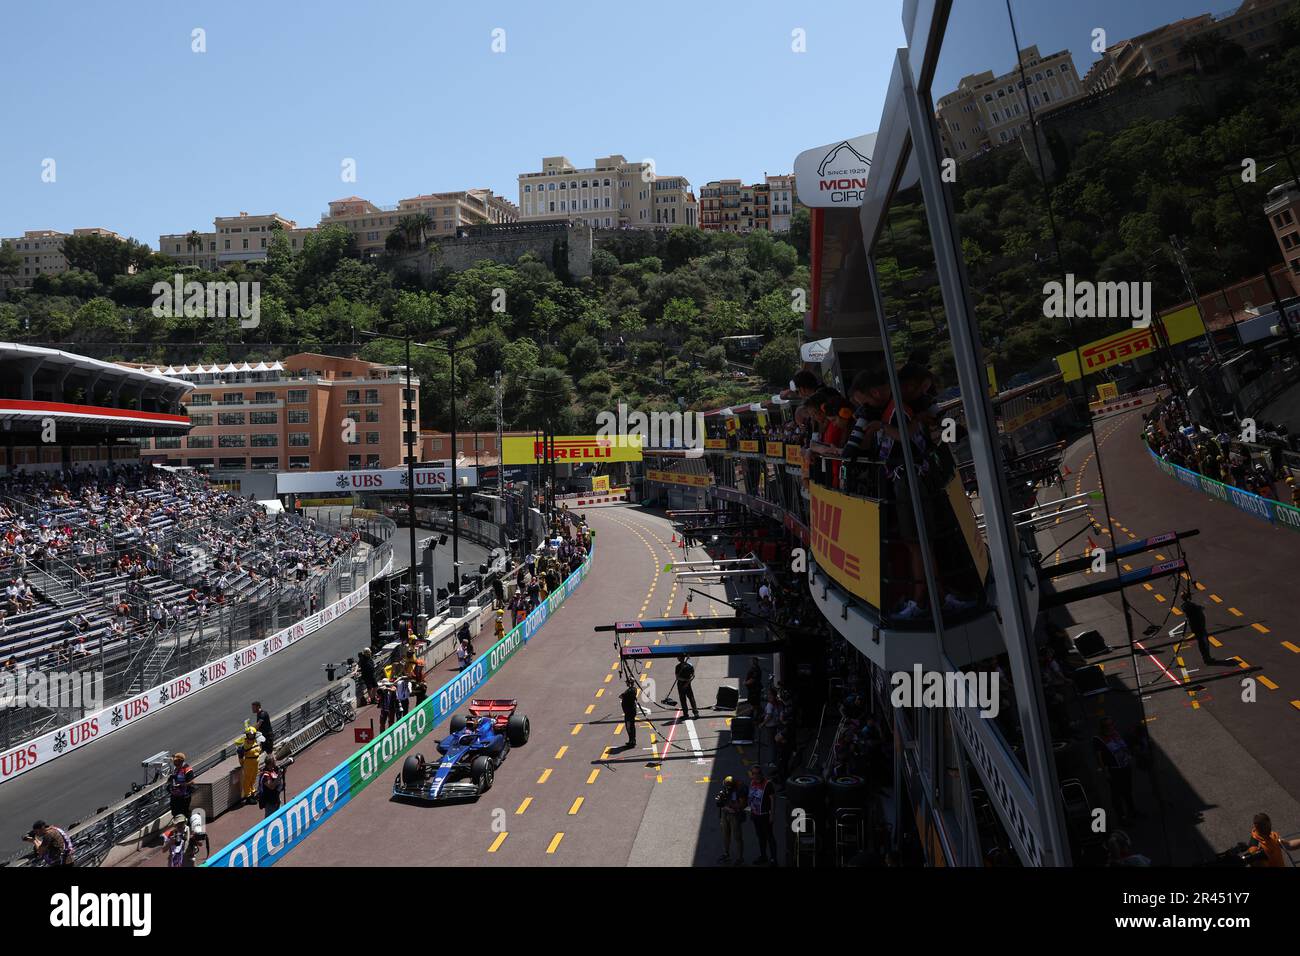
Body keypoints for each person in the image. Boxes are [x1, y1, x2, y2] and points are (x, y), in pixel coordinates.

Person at [1093, 717, 1137, 826]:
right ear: (1103, 728)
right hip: (1114, 770)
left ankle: (1132, 812)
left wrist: (1129, 756)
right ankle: (1121, 818)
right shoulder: (1099, 739)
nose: (1111, 727)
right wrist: (1105, 772)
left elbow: (1124, 747)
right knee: (1117, 795)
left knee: (1128, 791)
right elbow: (1099, 757)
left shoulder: (1115, 734)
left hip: (1125, 766)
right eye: (1108, 725)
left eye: (1112, 724)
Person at [1179, 594, 1229, 666]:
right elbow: (1199, 608)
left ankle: (1207, 658)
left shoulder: (1187, 605)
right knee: (1204, 643)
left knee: (1203, 643)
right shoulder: (1190, 606)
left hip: (1198, 626)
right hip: (1199, 627)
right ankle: (1207, 658)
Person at [747, 765, 776, 866]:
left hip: (765, 816)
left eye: (757, 773)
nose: (755, 775)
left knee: (769, 837)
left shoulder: (768, 784)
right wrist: (751, 811)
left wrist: (772, 814)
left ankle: (773, 859)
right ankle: (763, 856)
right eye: (753, 773)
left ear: (761, 774)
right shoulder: (752, 783)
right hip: (756, 815)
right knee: (760, 837)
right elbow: (752, 798)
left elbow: (772, 799)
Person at [714, 775, 747, 865]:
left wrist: (733, 807)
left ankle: (740, 858)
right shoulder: (725, 789)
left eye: (729, 787)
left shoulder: (739, 790)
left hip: (735, 815)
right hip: (725, 814)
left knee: (737, 837)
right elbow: (719, 802)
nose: (727, 788)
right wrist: (725, 806)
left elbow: (743, 804)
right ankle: (726, 854)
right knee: (725, 835)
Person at [236, 727, 262, 803]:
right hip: (248, 763)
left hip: (256, 763)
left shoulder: (256, 742)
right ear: (247, 735)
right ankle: (248, 796)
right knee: (247, 780)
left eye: (252, 735)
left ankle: (252, 792)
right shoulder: (244, 745)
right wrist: (242, 763)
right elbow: (240, 755)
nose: (251, 736)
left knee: (253, 779)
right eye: (249, 735)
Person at [257, 754, 285, 819]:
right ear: (271, 763)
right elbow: (271, 786)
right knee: (270, 822)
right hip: (270, 803)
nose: (276, 761)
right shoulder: (265, 775)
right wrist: (279, 776)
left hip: (276, 799)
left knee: (280, 818)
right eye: (274, 760)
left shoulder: (273, 770)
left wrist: (283, 772)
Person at [168, 752, 195, 820]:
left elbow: (191, 782)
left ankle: (187, 827)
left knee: (184, 813)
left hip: (184, 796)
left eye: (175, 761)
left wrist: (181, 785)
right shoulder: (176, 768)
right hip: (175, 795)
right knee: (174, 812)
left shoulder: (188, 770)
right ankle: (178, 827)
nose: (174, 762)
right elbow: (174, 778)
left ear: (181, 761)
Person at [674, 654, 700, 721]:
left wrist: (685, 682)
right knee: (691, 698)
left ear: (679, 659)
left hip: (681, 685)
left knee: (683, 699)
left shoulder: (678, 667)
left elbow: (677, 677)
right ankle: (695, 713)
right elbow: (693, 676)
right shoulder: (689, 666)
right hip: (687, 684)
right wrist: (687, 682)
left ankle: (686, 715)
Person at [619, 678, 640, 748]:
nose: (626, 684)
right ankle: (631, 740)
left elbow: (621, 696)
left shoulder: (631, 690)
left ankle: (632, 741)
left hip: (630, 711)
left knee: (629, 726)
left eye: (627, 682)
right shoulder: (630, 690)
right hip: (628, 711)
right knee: (630, 726)